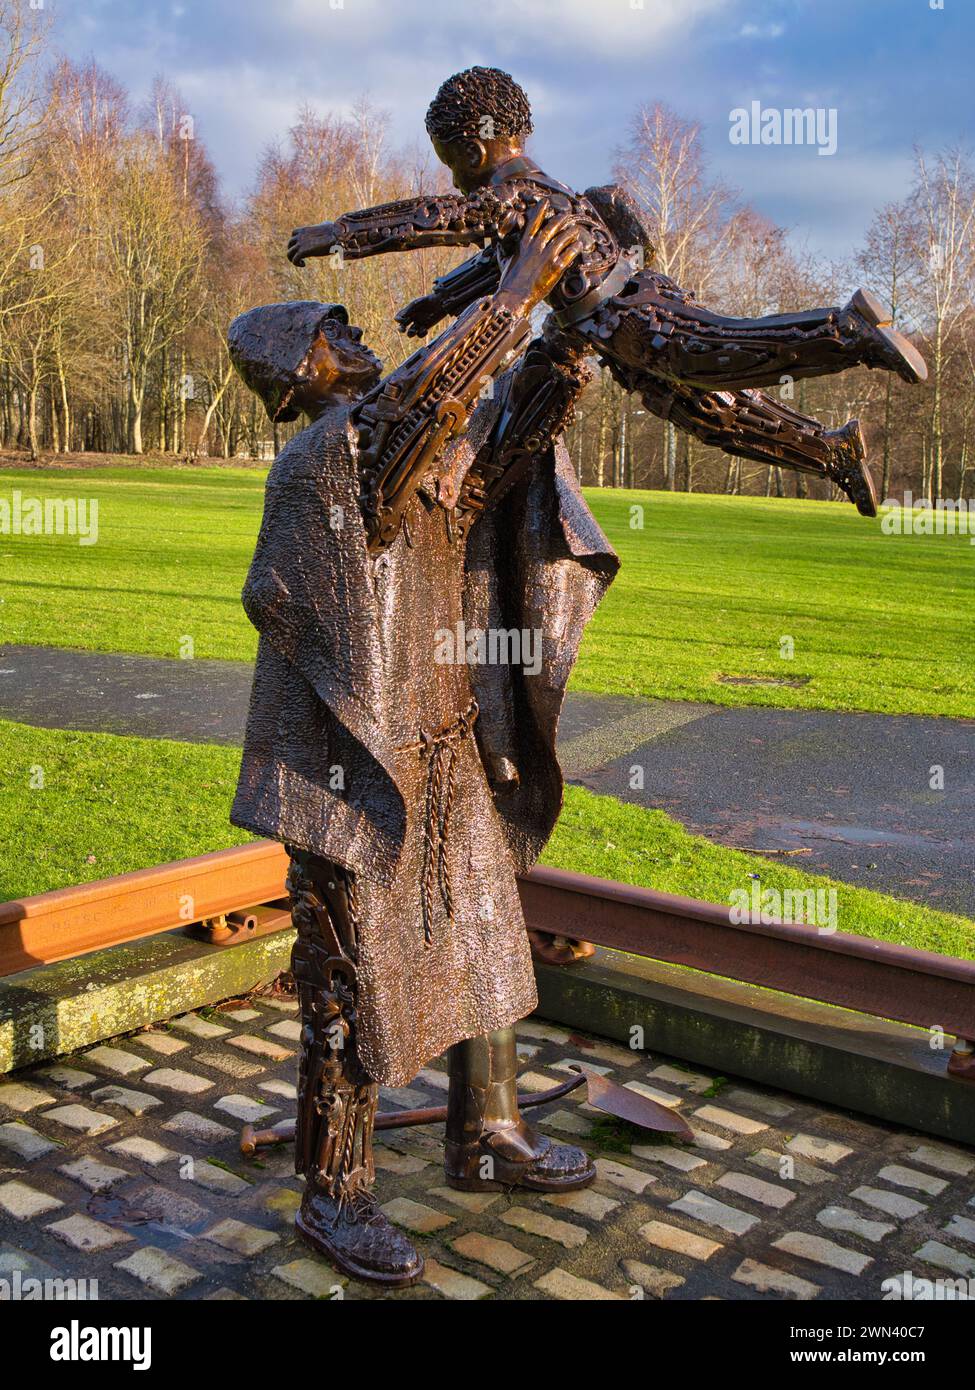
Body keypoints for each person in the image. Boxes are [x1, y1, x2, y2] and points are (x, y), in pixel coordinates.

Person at [228, 207, 618, 1287]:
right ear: (289, 377)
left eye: (351, 323)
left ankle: (487, 1134)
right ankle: (334, 1191)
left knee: (487, 943)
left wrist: (571, 343)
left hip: (440, 745)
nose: (352, 335)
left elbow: (498, 451)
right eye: (325, 331)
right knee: (349, 984)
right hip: (350, 770)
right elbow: (412, 419)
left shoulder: (410, 440)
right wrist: (513, 292)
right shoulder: (324, 458)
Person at [287, 66, 928, 517]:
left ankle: (848, 331)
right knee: (718, 412)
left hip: (628, 316)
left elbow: (429, 219)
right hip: (621, 329)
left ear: (476, 146)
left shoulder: (517, 197)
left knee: (727, 351)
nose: (452, 177)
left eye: (451, 159)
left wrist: (336, 234)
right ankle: (834, 452)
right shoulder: (547, 200)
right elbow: (499, 262)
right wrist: (441, 300)